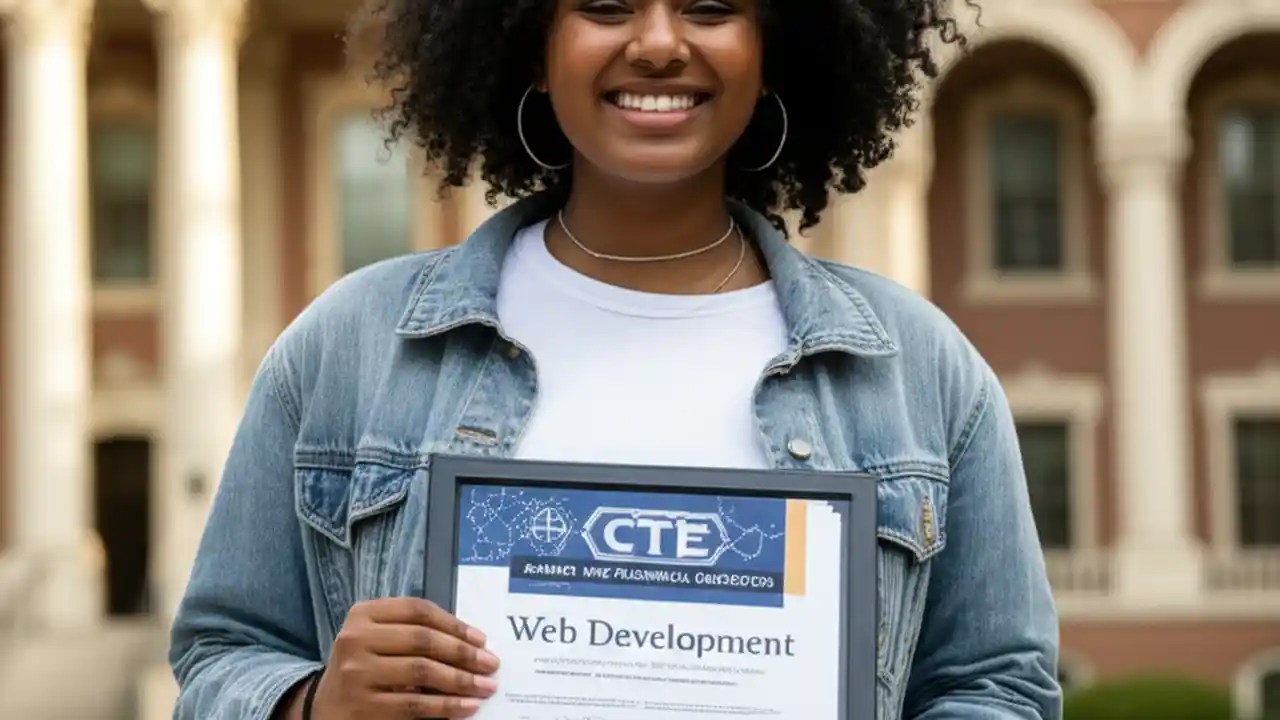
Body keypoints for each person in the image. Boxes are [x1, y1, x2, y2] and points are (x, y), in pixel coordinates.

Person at [169, 0, 1061, 718]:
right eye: (604, 6)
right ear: (532, 44)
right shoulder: (351, 345)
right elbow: (221, 655)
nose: (659, 43)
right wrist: (312, 704)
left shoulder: (920, 369)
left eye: (710, 8)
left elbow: (999, 689)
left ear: (774, 45)